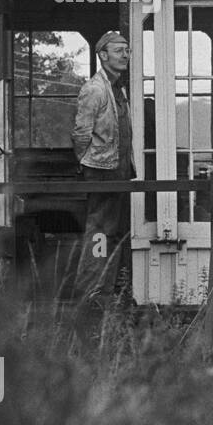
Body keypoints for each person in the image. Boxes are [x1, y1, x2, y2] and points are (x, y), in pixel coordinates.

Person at [71, 30, 136, 304]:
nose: (125, 55)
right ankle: (91, 291)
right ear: (103, 55)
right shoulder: (94, 89)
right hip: (101, 170)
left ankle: (108, 289)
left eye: (127, 50)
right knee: (100, 230)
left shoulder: (118, 88)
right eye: (119, 50)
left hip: (120, 170)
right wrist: (89, 162)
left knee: (116, 230)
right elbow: (80, 133)